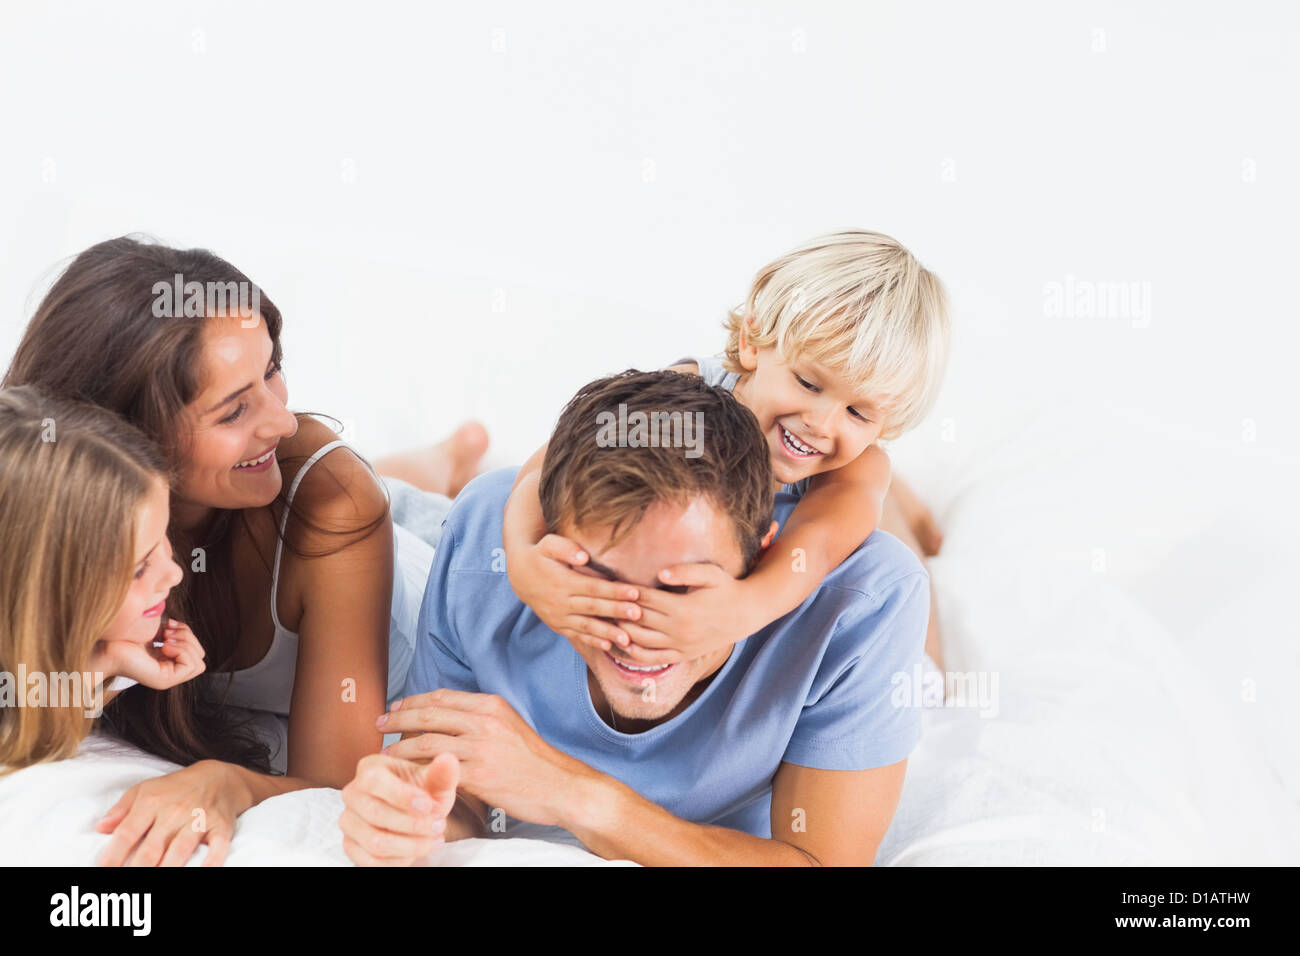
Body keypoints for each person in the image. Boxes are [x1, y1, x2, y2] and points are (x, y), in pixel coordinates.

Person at [2, 236, 486, 866]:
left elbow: (339, 782)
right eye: (233, 410)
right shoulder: (47, 509)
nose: (281, 418)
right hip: (278, 501)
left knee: (395, 499)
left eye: (271, 370)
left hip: (391, 549)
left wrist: (226, 782)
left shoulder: (333, 504)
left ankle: (442, 463)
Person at [339, 370, 930, 865]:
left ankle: (893, 492)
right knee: (381, 497)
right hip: (431, 526)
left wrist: (574, 794)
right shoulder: (487, 541)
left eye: (678, 589)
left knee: (936, 664)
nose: (635, 635)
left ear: (764, 553)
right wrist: (412, 814)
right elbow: (459, 796)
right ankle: (449, 455)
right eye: (599, 579)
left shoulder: (864, 604)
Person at [501, 230, 952, 674]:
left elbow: (815, 547)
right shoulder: (688, 395)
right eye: (809, 384)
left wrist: (741, 609)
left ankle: (906, 524)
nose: (822, 423)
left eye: (858, 413)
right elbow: (552, 462)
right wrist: (522, 559)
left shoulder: (856, 464)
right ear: (751, 343)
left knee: (895, 564)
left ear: (886, 424)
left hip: (839, 495)